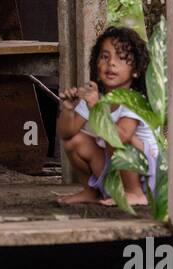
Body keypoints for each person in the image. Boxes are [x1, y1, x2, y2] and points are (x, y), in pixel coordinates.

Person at [54, 26, 159, 207]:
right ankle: (91, 191)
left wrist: (96, 107)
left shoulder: (135, 101)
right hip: (115, 171)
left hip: (147, 177)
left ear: (136, 70)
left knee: (115, 138)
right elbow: (66, 134)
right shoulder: (98, 97)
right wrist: (68, 109)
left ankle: (134, 193)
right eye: (105, 57)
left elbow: (121, 137)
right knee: (75, 141)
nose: (111, 63)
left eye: (121, 58)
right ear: (96, 64)